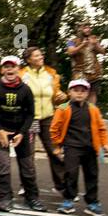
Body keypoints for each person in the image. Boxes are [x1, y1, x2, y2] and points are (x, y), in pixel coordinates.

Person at [0, 56, 42, 212]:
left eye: (13, 66)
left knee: (28, 167)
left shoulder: (25, 89)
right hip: (2, 132)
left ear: (18, 69)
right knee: (3, 165)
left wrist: (22, 133)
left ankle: (32, 197)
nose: (9, 69)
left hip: (21, 132)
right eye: (6, 66)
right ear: (2, 70)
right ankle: (5, 198)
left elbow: (30, 114)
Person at [50, 80, 108, 216]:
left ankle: (92, 203)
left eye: (83, 91)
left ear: (87, 93)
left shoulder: (93, 109)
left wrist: (104, 143)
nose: (79, 93)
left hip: (90, 147)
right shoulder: (63, 108)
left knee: (92, 175)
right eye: (76, 90)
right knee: (71, 174)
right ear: (69, 92)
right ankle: (68, 201)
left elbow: (101, 128)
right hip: (72, 147)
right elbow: (54, 128)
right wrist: (57, 145)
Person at [21, 46, 68, 196]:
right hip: (30, 118)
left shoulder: (50, 73)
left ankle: (61, 185)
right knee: (28, 153)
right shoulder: (22, 74)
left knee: (55, 151)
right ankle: (27, 185)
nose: (40, 57)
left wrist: (61, 96)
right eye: (36, 55)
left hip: (48, 116)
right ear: (28, 60)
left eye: (41, 54)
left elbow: (56, 93)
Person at [66, 22, 107, 105]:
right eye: (85, 27)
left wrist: (96, 44)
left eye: (89, 27)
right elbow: (71, 52)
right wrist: (82, 45)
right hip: (79, 72)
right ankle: (75, 112)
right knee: (78, 93)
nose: (88, 29)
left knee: (93, 93)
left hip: (94, 73)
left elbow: (103, 52)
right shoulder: (72, 41)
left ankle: (91, 113)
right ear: (80, 29)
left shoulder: (93, 39)